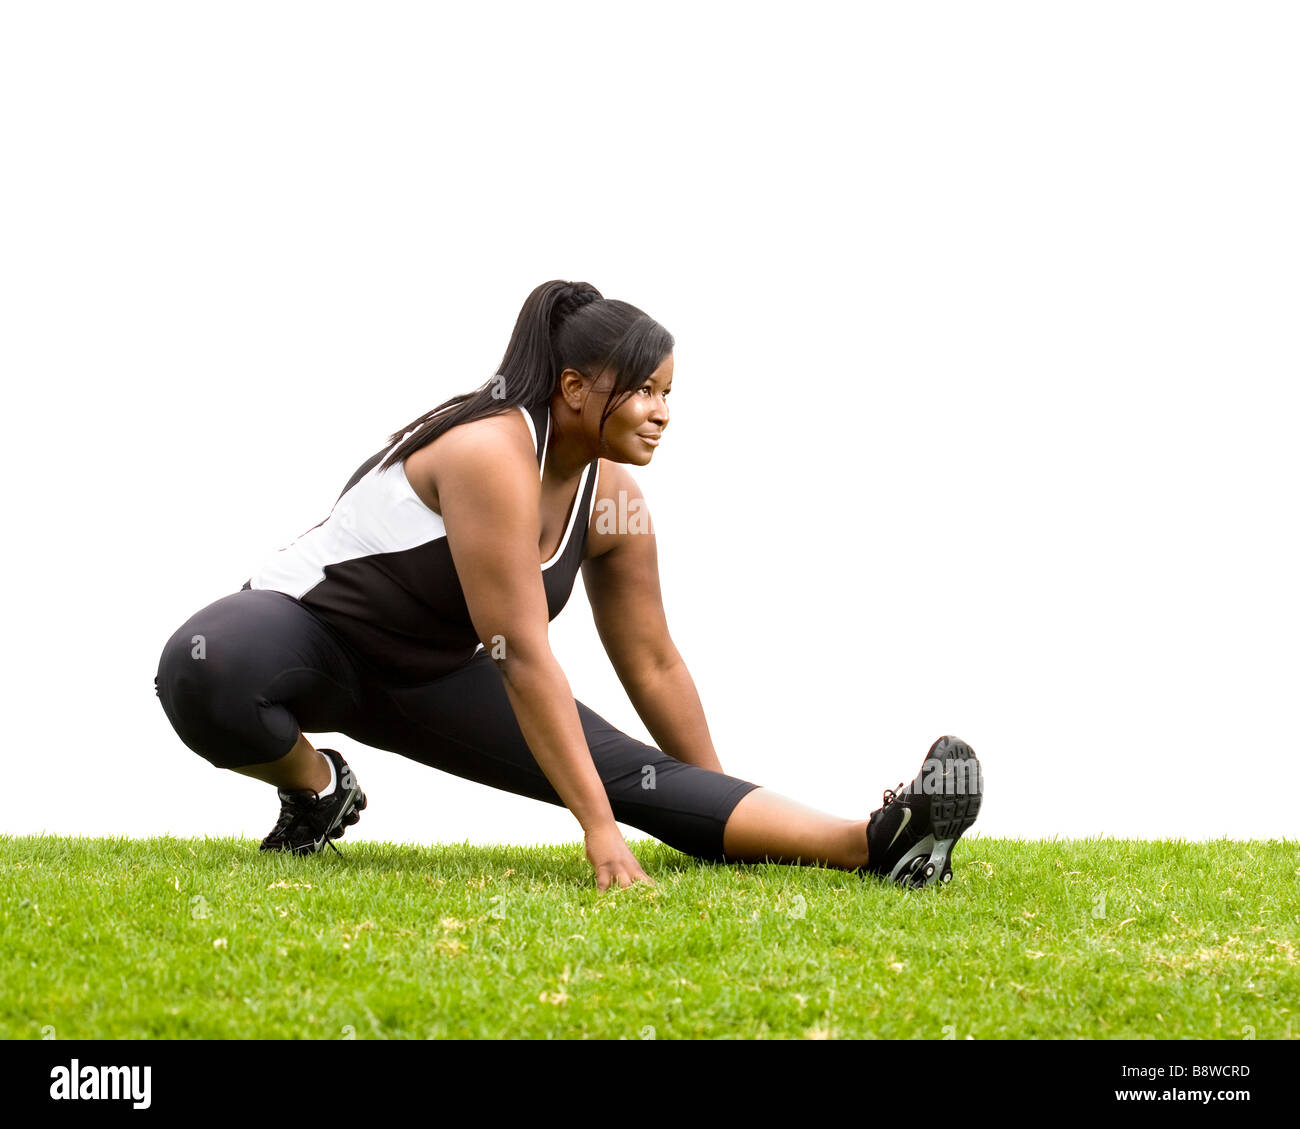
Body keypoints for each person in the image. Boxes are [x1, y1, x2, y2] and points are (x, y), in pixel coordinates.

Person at [154, 280, 982, 893]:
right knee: (205, 667)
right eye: (644, 389)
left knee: (643, 782)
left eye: (668, 393)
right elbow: (520, 653)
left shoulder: (614, 503)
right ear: (575, 386)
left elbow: (654, 663)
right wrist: (596, 830)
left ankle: (881, 844)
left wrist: (716, 815)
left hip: (430, 674)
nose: (661, 412)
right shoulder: (490, 451)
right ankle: (318, 789)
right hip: (306, 637)